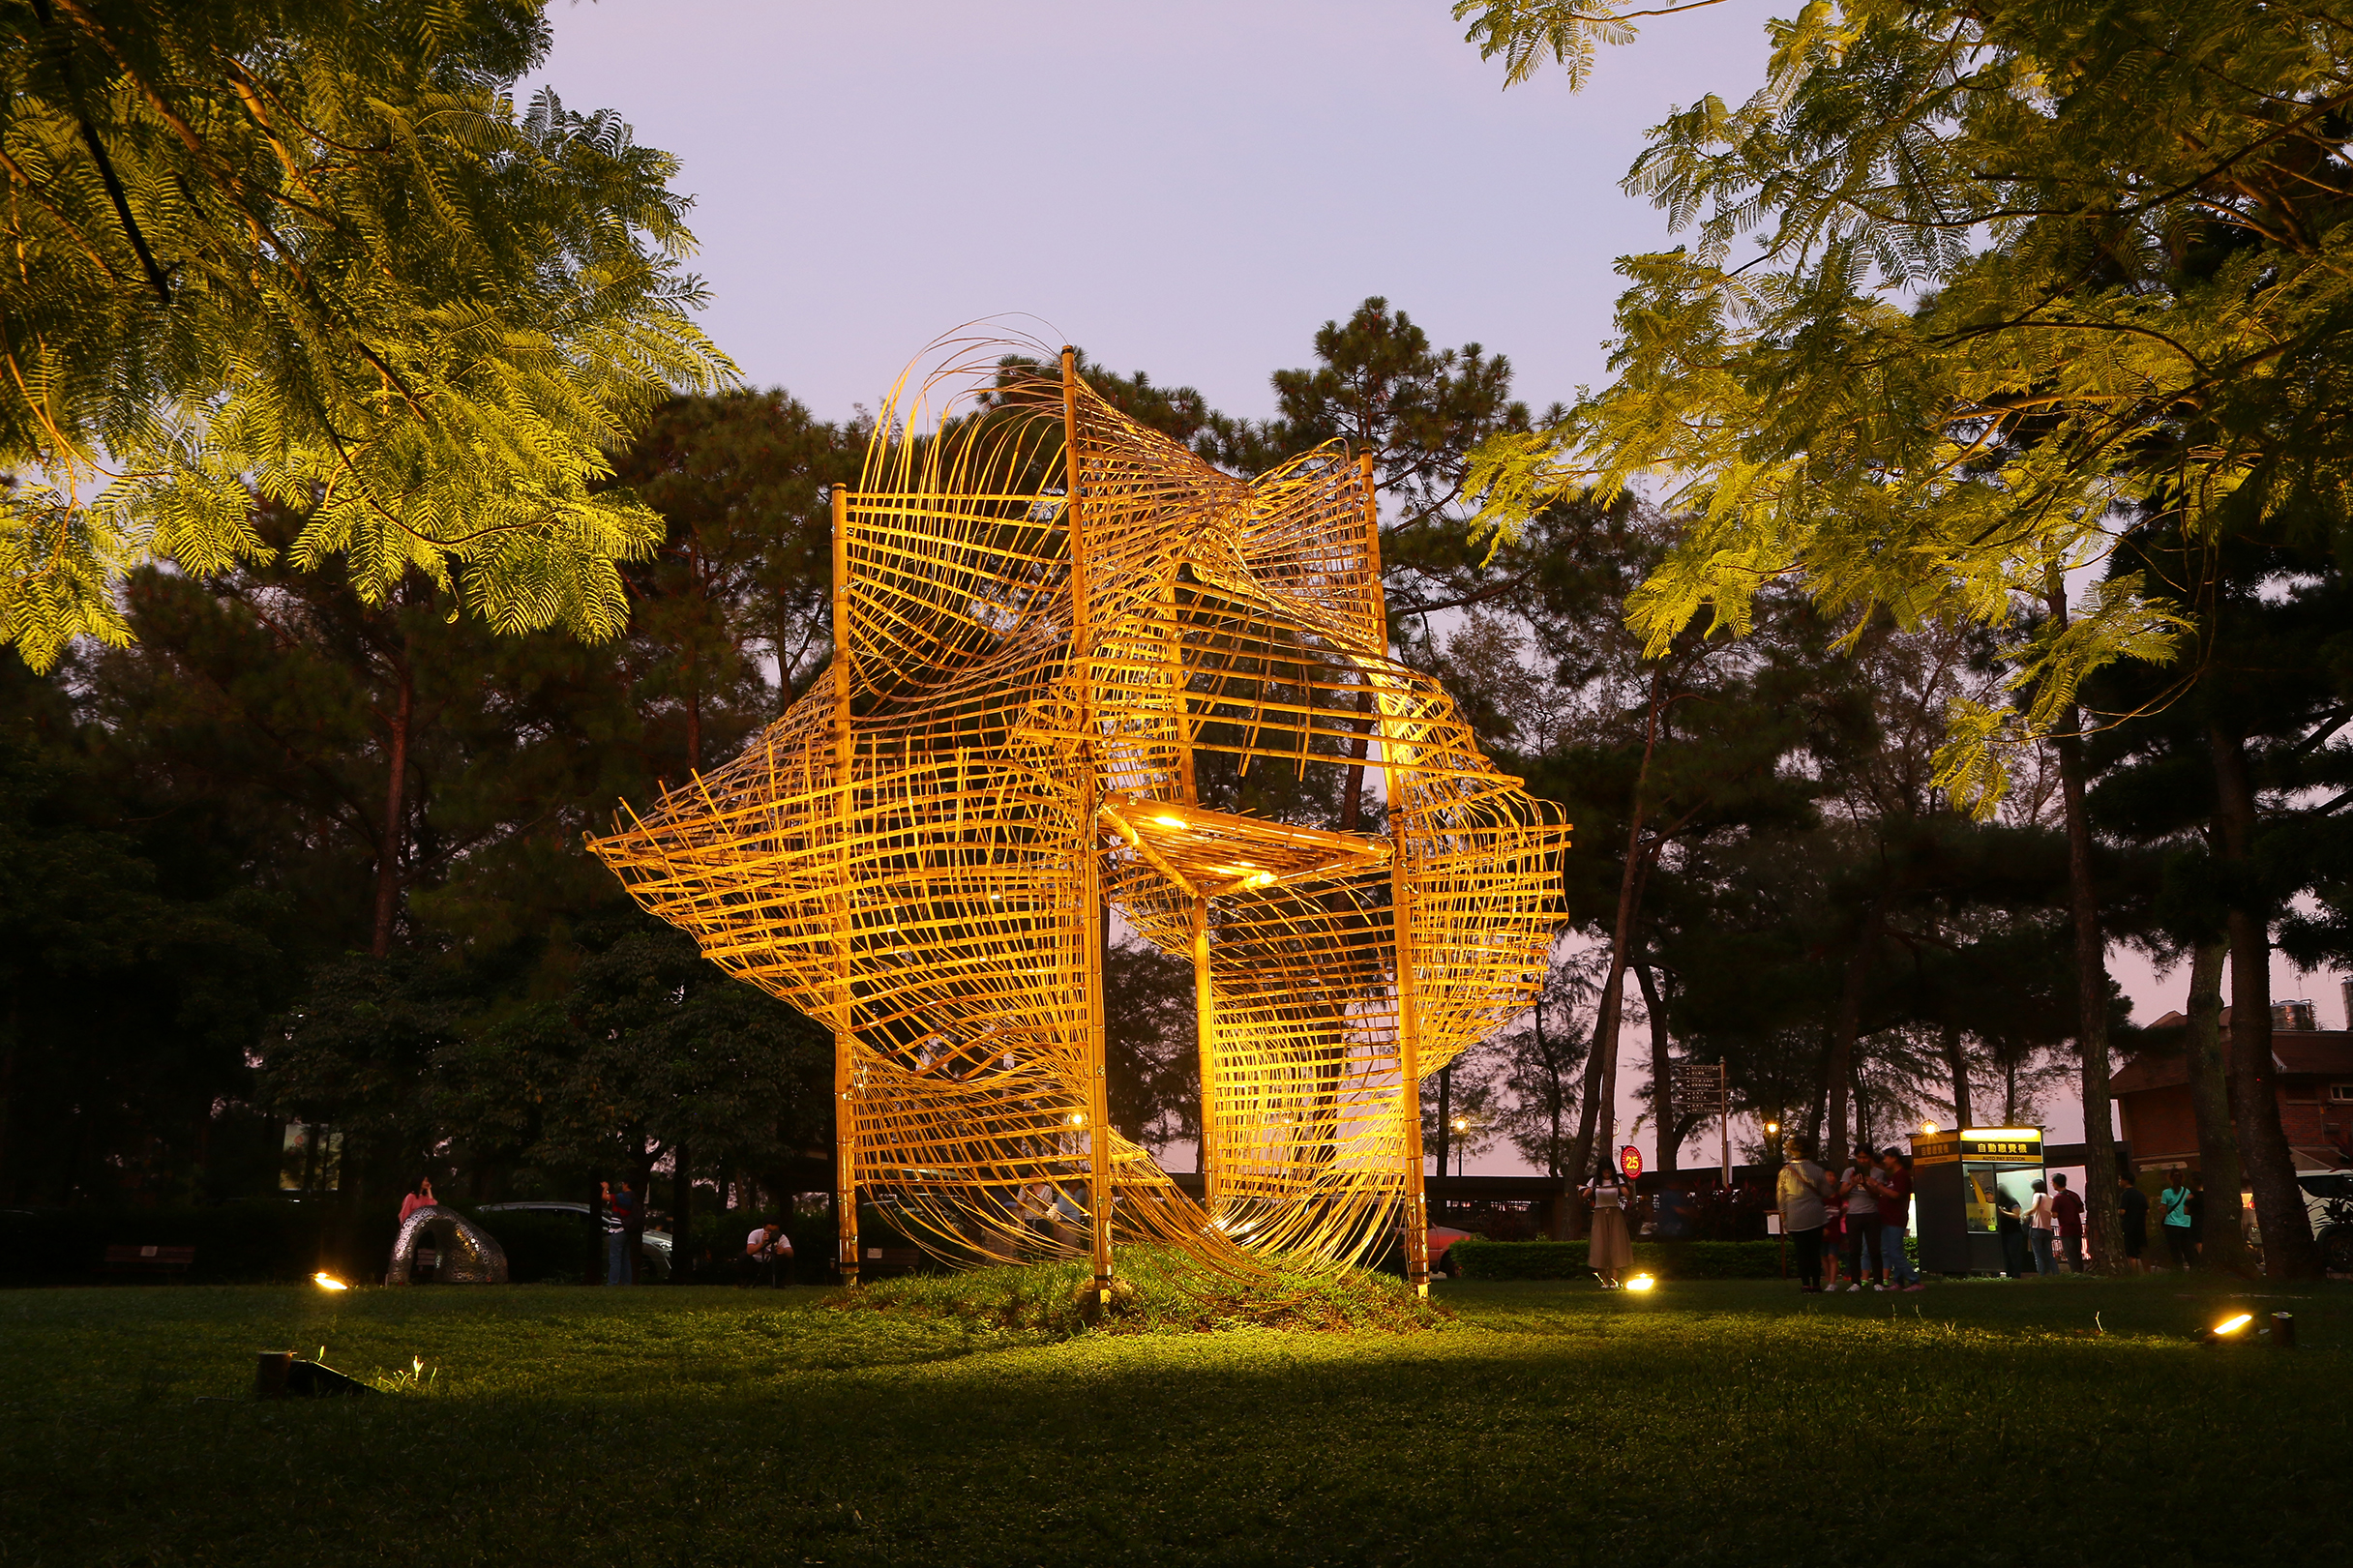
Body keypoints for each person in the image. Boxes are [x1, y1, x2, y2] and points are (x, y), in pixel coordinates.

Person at [1773, 1135, 1832, 1292]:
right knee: (1815, 1250)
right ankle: (1817, 1283)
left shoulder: (1785, 1172)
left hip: (1795, 1215)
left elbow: (1781, 1197)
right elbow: (1827, 1192)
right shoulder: (1818, 1170)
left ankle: (1805, 1284)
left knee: (1801, 1252)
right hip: (1815, 1214)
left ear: (1792, 1151)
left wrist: (1784, 1217)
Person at [1869, 1147, 1924, 1289]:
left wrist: (1878, 1186)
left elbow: (1896, 1195)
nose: (1884, 1161)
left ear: (1894, 1158)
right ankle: (1898, 1281)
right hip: (1887, 1218)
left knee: (1894, 1251)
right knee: (1891, 1251)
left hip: (1896, 1218)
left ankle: (1915, 1280)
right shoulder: (1893, 1176)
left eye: (1886, 1157)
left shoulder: (1902, 1176)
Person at [1583, 1163, 1635, 1288]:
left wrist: (1630, 1188)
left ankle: (1614, 1281)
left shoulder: (1618, 1180)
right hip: (1600, 1213)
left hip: (1615, 1213)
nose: (1607, 1173)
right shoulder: (1594, 1181)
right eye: (1604, 1171)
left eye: (1609, 1171)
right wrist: (1580, 1191)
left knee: (1616, 1245)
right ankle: (1604, 1281)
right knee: (1600, 1245)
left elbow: (1628, 1195)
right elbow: (1584, 1196)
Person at [1837, 1145, 1882, 1291]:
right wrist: (1853, 1184)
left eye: (1865, 1157)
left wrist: (1866, 1185)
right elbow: (1842, 1192)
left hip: (1871, 1213)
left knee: (1874, 1249)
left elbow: (1877, 1195)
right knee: (1854, 1249)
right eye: (1859, 1158)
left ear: (1870, 1158)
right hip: (1853, 1215)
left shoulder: (1878, 1173)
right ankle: (1855, 1282)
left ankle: (1878, 1282)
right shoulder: (1849, 1172)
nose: (1862, 1160)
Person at [602, 1177, 639, 1286]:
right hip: (628, 1229)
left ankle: (612, 1282)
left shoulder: (623, 1197)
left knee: (615, 1258)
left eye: (623, 1184)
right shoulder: (634, 1197)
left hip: (618, 1230)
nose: (622, 1186)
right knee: (625, 1258)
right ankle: (627, 1282)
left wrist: (605, 1188)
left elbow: (605, 1197)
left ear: (627, 1184)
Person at [2158, 1170, 2197, 1268]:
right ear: (2182, 1179)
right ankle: (2194, 1269)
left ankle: (2178, 1270)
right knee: (2188, 1249)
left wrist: (2161, 1222)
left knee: (2175, 1250)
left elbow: (2164, 1210)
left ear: (2170, 1179)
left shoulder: (2166, 1193)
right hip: (2186, 1223)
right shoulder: (2187, 1192)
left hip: (2171, 1224)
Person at [2116, 1170, 2150, 1275]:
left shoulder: (2125, 1195)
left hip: (2129, 1226)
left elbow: (2122, 1211)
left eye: (2120, 1179)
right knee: (2143, 1251)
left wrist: (2116, 1213)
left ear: (2126, 1181)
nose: (2119, 1182)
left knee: (2131, 1253)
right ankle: (2147, 1273)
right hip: (2140, 1226)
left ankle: (2135, 1274)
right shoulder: (2140, 1194)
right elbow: (2147, 1210)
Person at [2050, 1172, 2086, 1272]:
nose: (2052, 1184)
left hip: (2066, 1229)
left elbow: (2054, 1214)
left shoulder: (2057, 1198)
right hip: (2077, 1227)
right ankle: (2081, 1271)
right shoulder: (2074, 1195)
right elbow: (2081, 1209)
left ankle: (2075, 1273)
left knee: (2070, 1253)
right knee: (2077, 1252)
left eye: (2052, 1182)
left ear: (2056, 1183)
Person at [741, 1219, 792, 1287]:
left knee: (783, 1258)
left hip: (771, 1262)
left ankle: (778, 1283)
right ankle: (744, 1282)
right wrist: (762, 1243)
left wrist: (784, 1251)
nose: (771, 1233)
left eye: (774, 1231)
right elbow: (749, 1251)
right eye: (769, 1230)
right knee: (743, 1256)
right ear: (764, 1227)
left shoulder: (781, 1237)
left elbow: (791, 1253)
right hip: (754, 1260)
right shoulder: (755, 1234)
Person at [1995, 1182, 2028, 1278]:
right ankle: (2009, 1274)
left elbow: (2017, 1215)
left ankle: (2016, 1274)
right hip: (2003, 1232)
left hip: (2014, 1232)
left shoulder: (2011, 1201)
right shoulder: (1998, 1202)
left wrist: (2003, 1212)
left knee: (2014, 1254)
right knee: (2006, 1255)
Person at [2024, 1178, 2056, 1275]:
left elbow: (2034, 1209)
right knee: (2049, 1254)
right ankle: (2056, 1274)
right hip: (2047, 1229)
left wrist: (2024, 1214)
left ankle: (2042, 1275)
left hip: (2037, 1228)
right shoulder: (2050, 1197)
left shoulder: (2037, 1195)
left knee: (2038, 1255)